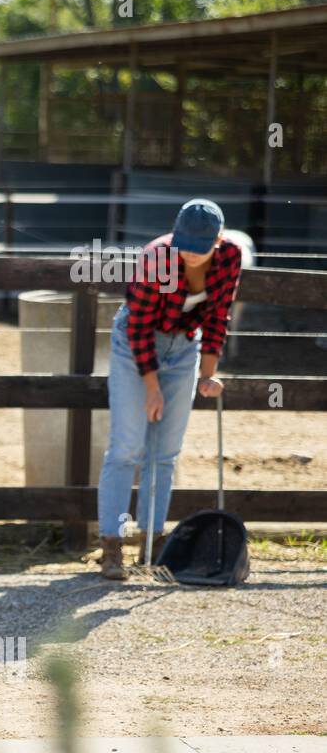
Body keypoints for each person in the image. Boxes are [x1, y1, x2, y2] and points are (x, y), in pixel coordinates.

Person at [97, 198, 242, 579]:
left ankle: (153, 543)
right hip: (137, 346)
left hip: (185, 348)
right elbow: (139, 326)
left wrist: (209, 374)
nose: (191, 255)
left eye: (201, 248)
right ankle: (111, 546)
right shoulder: (156, 257)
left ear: (219, 239)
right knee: (127, 446)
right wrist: (151, 386)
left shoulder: (229, 257)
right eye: (185, 246)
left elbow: (218, 314)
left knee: (166, 451)